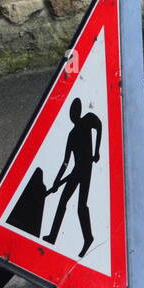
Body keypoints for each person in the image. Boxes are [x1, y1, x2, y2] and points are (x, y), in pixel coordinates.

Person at [44, 98, 102, 258]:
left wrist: (97, 151)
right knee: (64, 201)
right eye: (71, 113)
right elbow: (65, 162)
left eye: (75, 112)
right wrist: (56, 182)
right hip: (76, 170)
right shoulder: (72, 134)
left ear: (79, 111)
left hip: (86, 169)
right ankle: (53, 236)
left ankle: (88, 238)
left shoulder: (87, 120)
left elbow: (99, 126)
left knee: (81, 205)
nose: (73, 115)